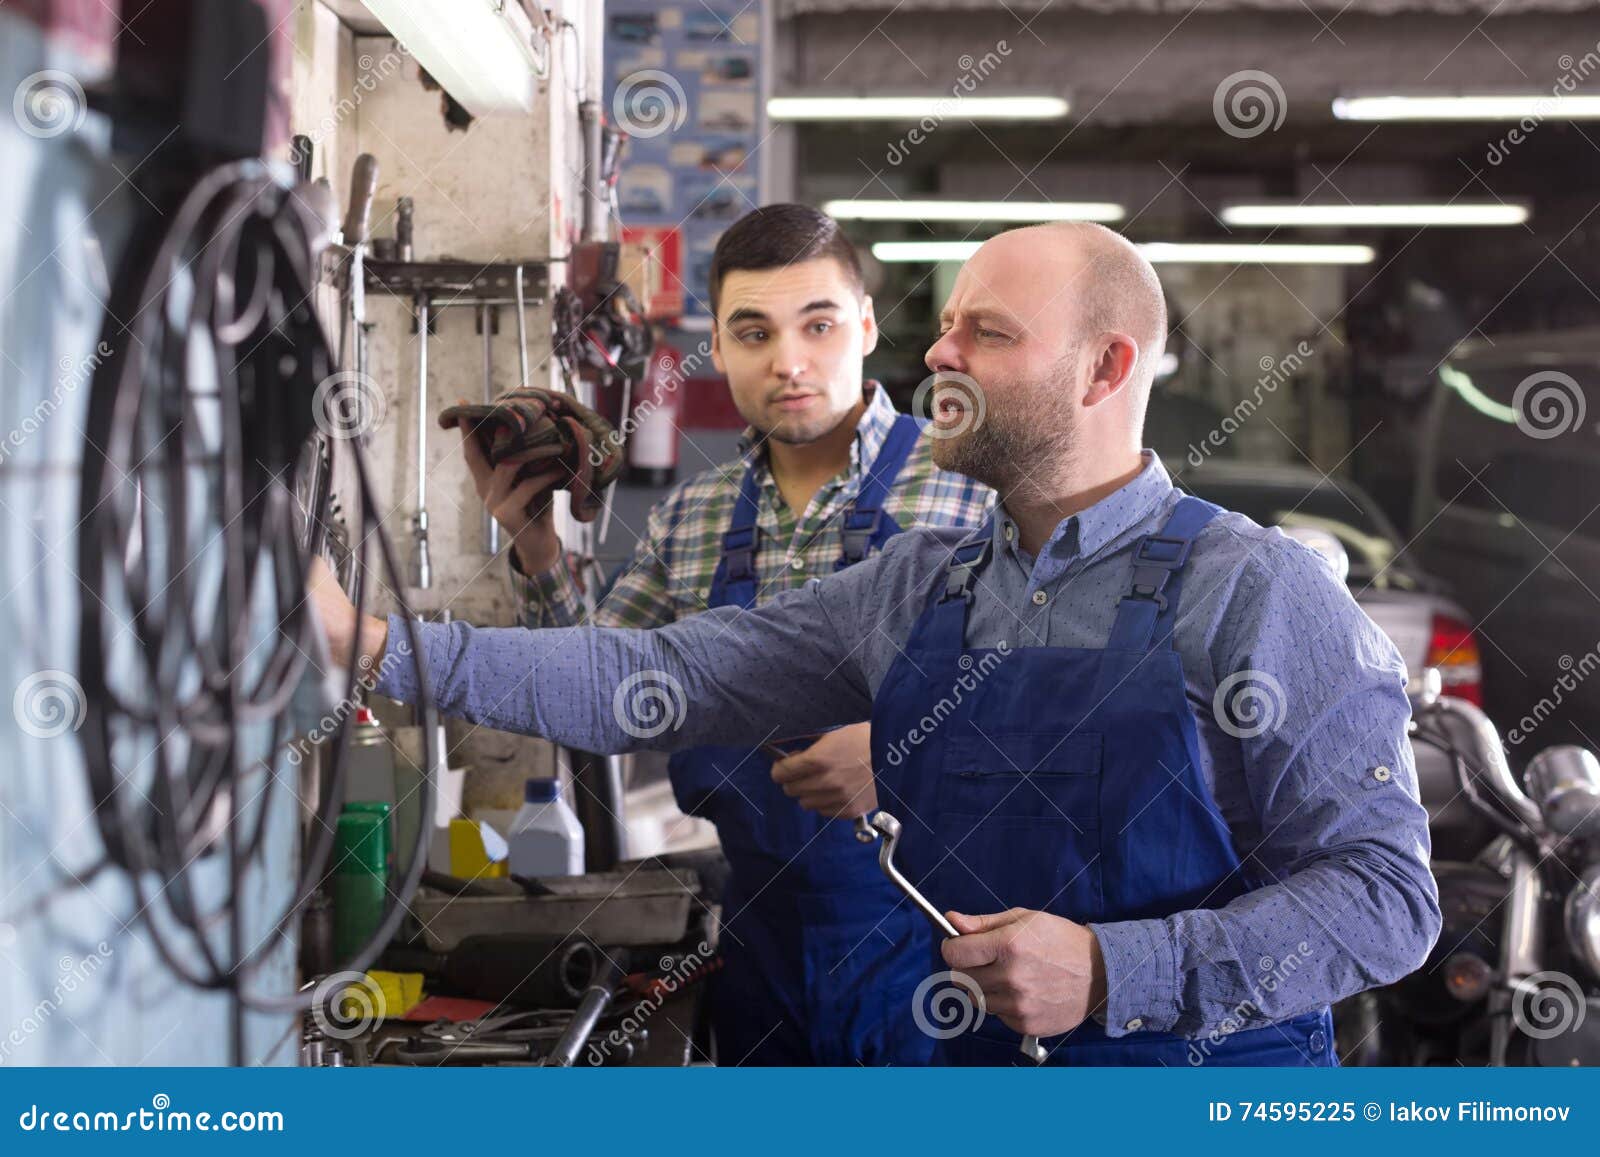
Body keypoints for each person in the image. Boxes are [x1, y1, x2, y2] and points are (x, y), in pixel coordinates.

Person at [314, 221, 1440, 1066]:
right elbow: (646, 677)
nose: (938, 355)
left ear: (1105, 369)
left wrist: (1111, 969)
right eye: (944, 323)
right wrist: (371, 640)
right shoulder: (918, 585)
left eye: (985, 333)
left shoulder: (1256, 589)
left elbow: (1387, 896)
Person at [457, 203, 990, 1065]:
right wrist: (534, 540)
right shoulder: (693, 520)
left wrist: (900, 749)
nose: (789, 361)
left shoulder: (973, 487)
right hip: (758, 945)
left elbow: (1074, 710)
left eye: (817, 324)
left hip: (936, 942)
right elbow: (607, 690)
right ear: (720, 343)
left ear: (863, 324)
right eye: (753, 332)